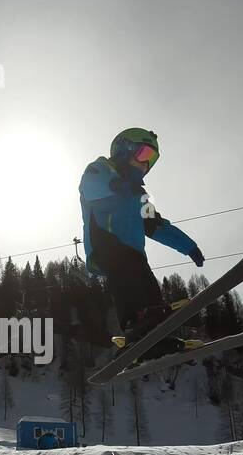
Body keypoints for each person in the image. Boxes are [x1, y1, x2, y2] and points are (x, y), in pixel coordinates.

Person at [80, 128, 204, 360]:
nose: (147, 164)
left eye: (152, 160)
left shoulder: (141, 196)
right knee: (126, 275)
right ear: (123, 149)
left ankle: (151, 337)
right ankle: (138, 323)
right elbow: (90, 186)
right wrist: (117, 185)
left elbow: (156, 225)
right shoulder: (102, 169)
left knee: (146, 283)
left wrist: (188, 246)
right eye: (144, 154)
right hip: (107, 244)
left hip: (134, 254)